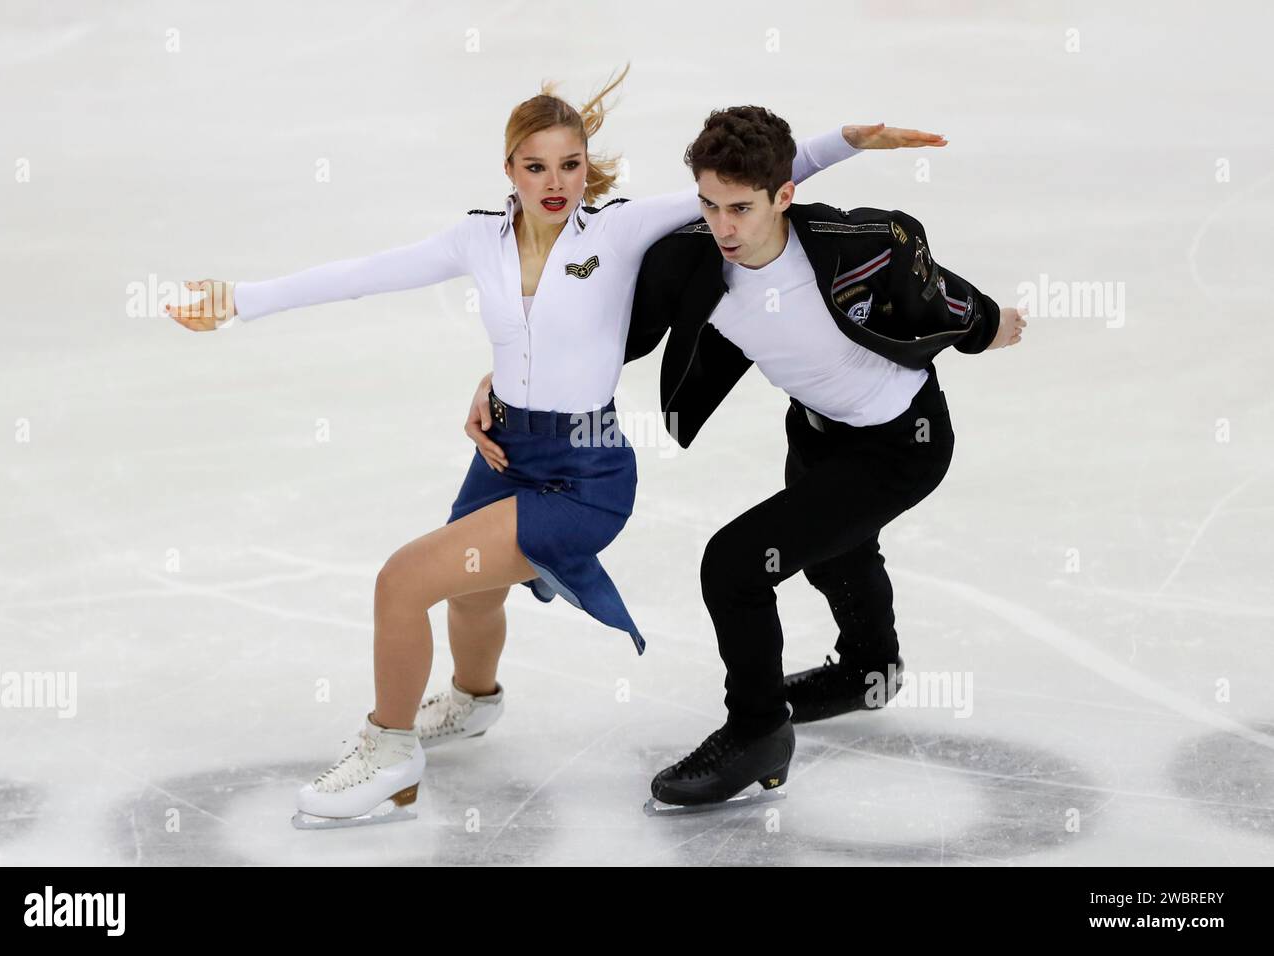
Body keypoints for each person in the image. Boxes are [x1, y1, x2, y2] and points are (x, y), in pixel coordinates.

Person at [164, 66, 940, 827]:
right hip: (504, 451)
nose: (555, 180)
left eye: (570, 164)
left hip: (583, 474)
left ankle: (389, 753)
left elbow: (766, 174)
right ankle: (473, 703)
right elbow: (367, 274)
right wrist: (241, 300)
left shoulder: (619, 230)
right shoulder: (478, 240)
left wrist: (849, 140)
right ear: (510, 169)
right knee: (470, 591)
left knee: (402, 581)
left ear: (587, 168)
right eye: (536, 166)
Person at [617, 105, 1027, 808]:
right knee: (835, 547)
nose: (724, 228)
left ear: (784, 195)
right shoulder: (689, 260)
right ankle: (868, 669)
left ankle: (757, 732)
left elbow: (936, 291)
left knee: (735, 564)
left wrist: (990, 323)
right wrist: (512, 377)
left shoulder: (862, 244)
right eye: (710, 205)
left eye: (741, 208)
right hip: (816, 432)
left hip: (902, 444)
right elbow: (609, 335)